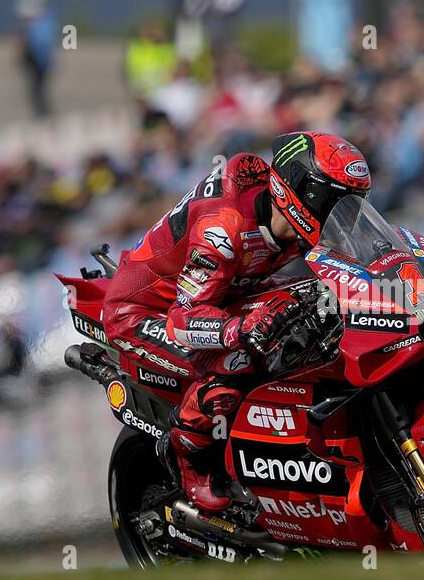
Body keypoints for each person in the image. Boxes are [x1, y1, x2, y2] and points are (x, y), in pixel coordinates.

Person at [102, 132, 372, 513]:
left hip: (228, 296)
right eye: (333, 200)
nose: (341, 213)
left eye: (351, 202)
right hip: (147, 312)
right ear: (300, 191)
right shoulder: (224, 228)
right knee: (236, 363)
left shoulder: (298, 223)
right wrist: (241, 330)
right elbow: (183, 320)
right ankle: (189, 461)